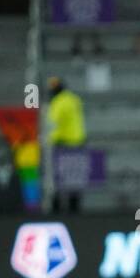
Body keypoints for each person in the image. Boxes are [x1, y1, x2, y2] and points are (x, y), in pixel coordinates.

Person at [45, 76, 87, 214]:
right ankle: (75, 209)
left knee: (59, 180)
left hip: (63, 145)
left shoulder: (58, 102)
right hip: (79, 143)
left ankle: (57, 210)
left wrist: (49, 140)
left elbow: (53, 125)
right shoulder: (74, 99)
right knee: (75, 177)